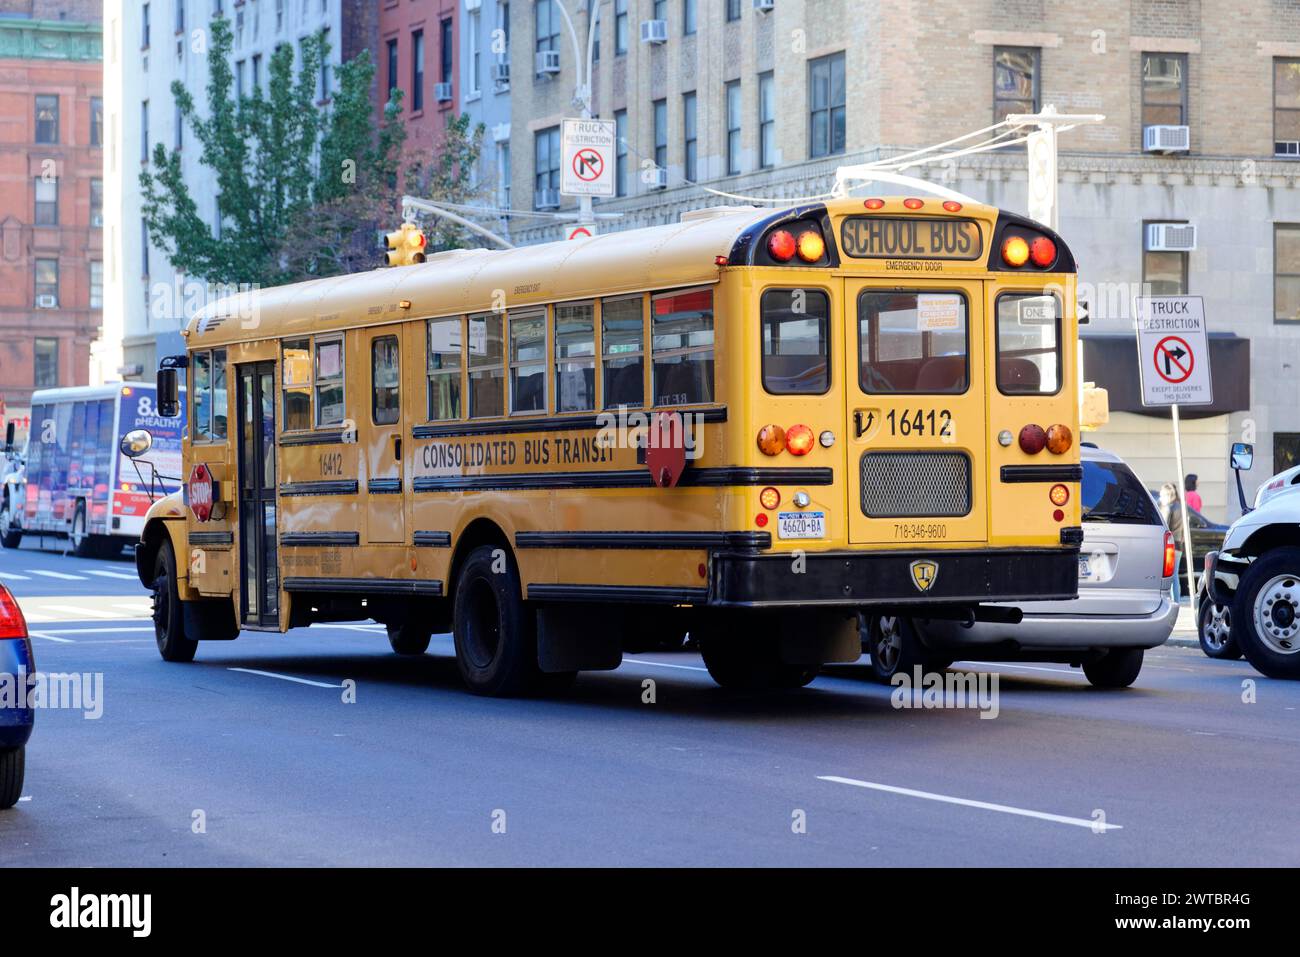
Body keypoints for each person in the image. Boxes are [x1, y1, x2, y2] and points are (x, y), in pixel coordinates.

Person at [1159, 482, 1185, 602]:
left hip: (1170, 546)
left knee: (1169, 576)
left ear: (1167, 494)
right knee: (1175, 577)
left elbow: (1164, 528)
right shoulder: (1180, 507)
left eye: (1162, 495)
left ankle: (1171, 602)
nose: (1160, 497)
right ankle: (1177, 601)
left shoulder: (1168, 508)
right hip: (1179, 545)